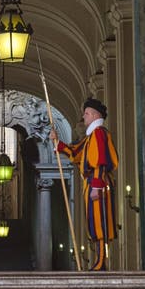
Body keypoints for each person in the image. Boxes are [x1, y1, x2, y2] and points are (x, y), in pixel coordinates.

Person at [50, 97, 118, 271]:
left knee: (100, 222)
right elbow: (76, 152)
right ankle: (98, 260)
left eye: (86, 114)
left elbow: (101, 160)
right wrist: (57, 142)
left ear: (95, 115)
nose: (84, 117)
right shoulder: (90, 137)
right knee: (93, 223)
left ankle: (102, 261)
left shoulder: (99, 133)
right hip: (92, 183)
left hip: (99, 183)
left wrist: (96, 185)